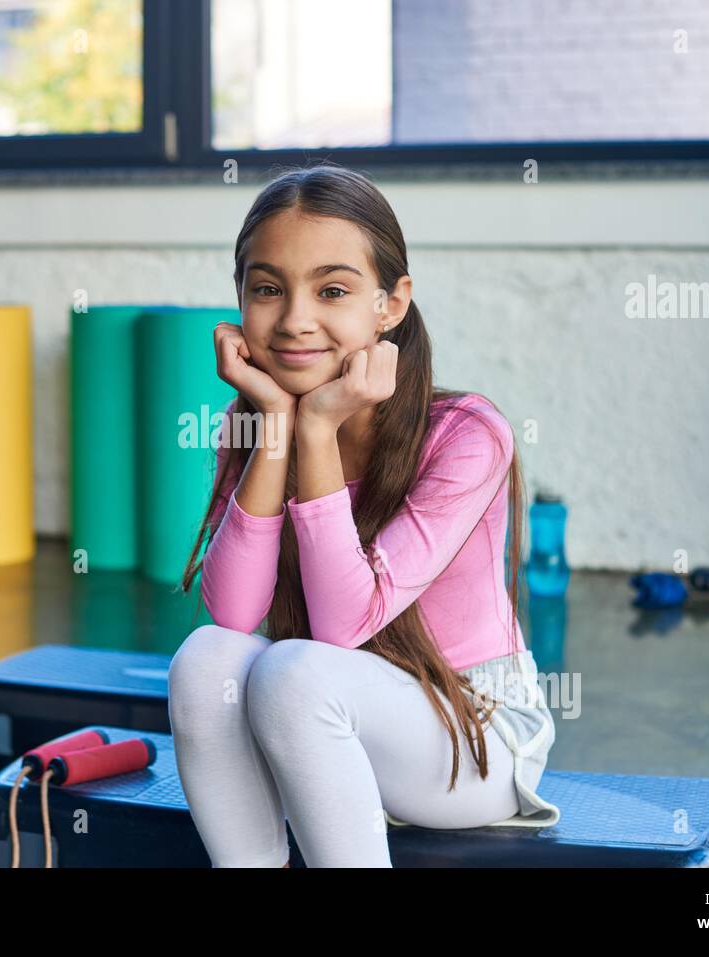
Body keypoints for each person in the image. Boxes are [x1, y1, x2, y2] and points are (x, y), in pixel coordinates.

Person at [171, 162, 561, 868]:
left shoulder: (468, 433)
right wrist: (279, 432)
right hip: (331, 724)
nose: (294, 318)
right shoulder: (256, 422)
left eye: (333, 290)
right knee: (205, 660)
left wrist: (318, 431)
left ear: (391, 303)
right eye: (267, 289)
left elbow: (344, 625)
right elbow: (232, 612)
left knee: (295, 672)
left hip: (475, 733)